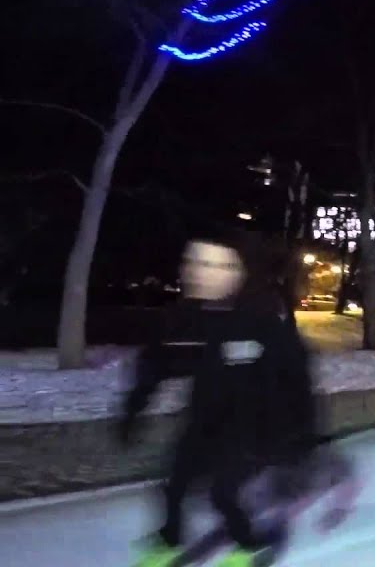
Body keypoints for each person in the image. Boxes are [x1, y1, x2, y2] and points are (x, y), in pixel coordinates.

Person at [119, 232, 318, 567]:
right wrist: (134, 410)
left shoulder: (261, 318)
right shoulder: (185, 319)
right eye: (193, 262)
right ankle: (170, 538)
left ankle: (248, 544)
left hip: (255, 427)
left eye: (214, 264)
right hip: (204, 419)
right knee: (174, 486)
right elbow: (156, 363)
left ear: (236, 271)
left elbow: (297, 380)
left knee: (223, 493)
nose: (199, 272)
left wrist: (302, 439)